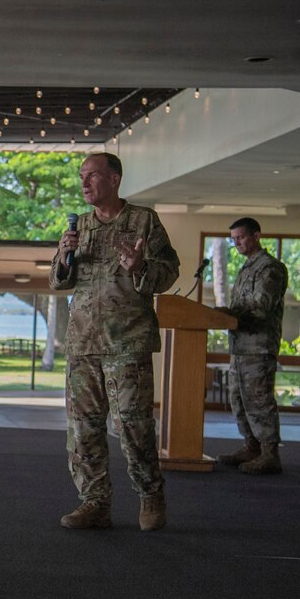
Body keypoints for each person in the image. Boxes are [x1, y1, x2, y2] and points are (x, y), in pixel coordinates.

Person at [50, 152, 179, 532]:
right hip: (83, 344)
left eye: (93, 176)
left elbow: (169, 272)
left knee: (133, 427)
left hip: (128, 344)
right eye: (81, 176)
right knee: (82, 429)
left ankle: (150, 494)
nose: (85, 183)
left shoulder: (143, 221)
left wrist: (140, 267)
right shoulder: (80, 227)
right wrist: (64, 255)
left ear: (115, 179)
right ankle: (94, 502)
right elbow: (58, 282)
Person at [215, 217, 289, 474]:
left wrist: (227, 313)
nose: (237, 243)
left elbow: (261, 306)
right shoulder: (246, 267)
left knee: (259, 400)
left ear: (257, 236)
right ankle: (251, 446)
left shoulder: (269, 268)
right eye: (233, 239)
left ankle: (270, 453)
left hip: (258, 347)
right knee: (238, 399)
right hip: (240, 347)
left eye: (241, 237)